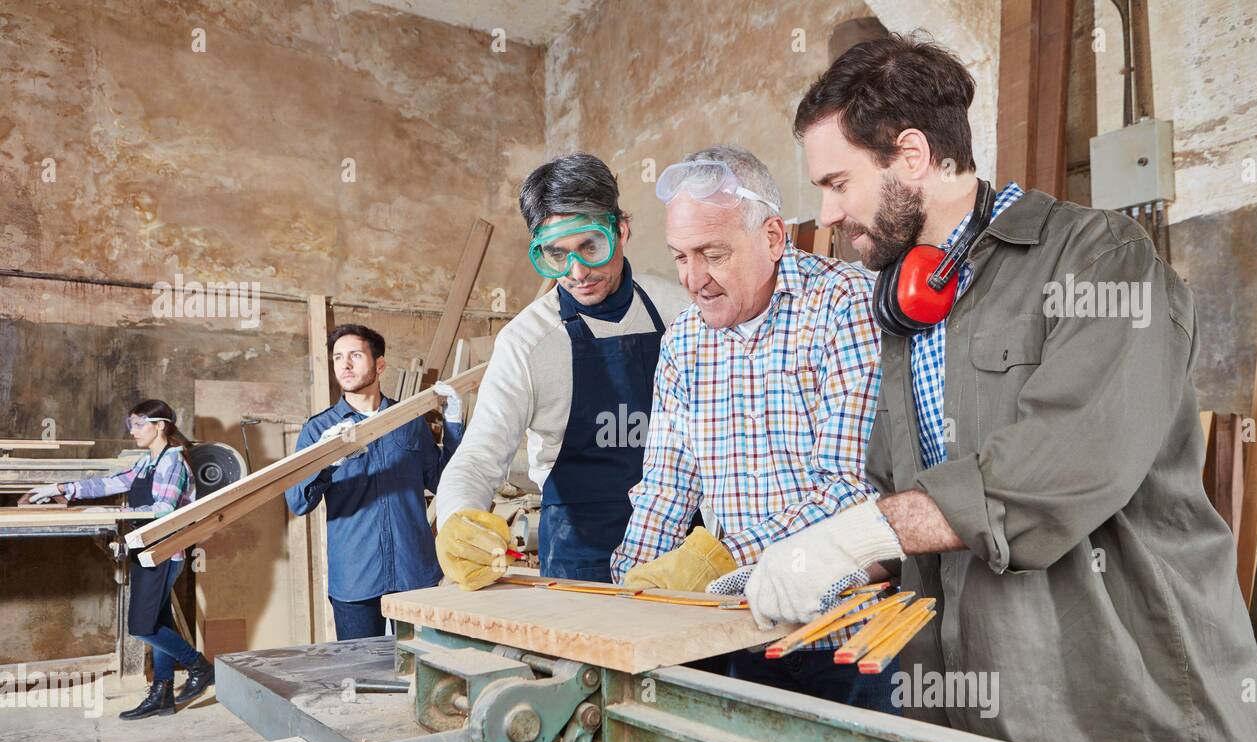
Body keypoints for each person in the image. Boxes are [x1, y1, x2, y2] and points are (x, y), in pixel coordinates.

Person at [743, 32, 1257, 742]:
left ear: (914, 155)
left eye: (836, 182)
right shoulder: (907, 307)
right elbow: (909, 508)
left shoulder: (1102, 259)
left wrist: (857, 535)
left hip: (1145, 730)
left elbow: (1067, 464)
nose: (825, 213)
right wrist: (837, 569)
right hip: (988, 730)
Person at [610, 145, 890, 710]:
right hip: (740, 630)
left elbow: (851, 486)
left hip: (847, 635)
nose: (693, 279)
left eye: (712, 254)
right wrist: (627, 591)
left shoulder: (843, 305)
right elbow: (666, 488)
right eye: (680, 256)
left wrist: (717, 556)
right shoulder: (685, 342)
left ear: (771, 238)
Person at [435, 153, 690, 587]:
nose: (577, 272)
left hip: (678, 558)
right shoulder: (526, 342)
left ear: (621, 230)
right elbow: (478, 459)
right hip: (577, 567)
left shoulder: (680, 313)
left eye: (590, 247)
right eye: (556, 255)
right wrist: (459, 522)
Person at [24, 400, 211, 719]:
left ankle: (199, 666)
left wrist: (114, 512)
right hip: (144, 548)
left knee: (141, 626)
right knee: (159, 623)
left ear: (160, 426)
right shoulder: (147, 461)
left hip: (164, 551)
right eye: (131, 424)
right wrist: (58, 487)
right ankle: (163, 695)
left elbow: (164, 510)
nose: (133, 431)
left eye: (139, 424)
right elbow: (111, 482)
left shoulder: (173, 462)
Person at [285, 323, 463, 640]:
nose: (345, 365)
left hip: (414, 572)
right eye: (338, 357)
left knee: (419, 672)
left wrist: (453, 426)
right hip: (355, 576)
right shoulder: (319, 430)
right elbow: (298, 502)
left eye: (355, 355)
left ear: (380, 365)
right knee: (359, 673)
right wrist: (325, 460)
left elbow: (445, 482)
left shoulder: (408, 420)